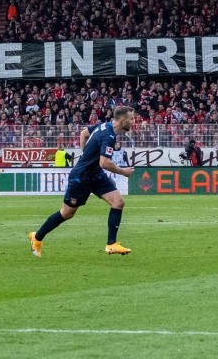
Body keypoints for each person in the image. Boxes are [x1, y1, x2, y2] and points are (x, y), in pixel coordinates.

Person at [29, 105, 137, 257]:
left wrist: (85, 154)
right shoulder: (109, 136)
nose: (133, 122)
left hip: (95, 175)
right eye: (131, 119)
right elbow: (104, 163)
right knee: (67, 213)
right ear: (123, 119)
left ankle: (111, 244)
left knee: (118, 202)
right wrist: (123, 171)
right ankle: (37, 237)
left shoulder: (104, 126)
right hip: (82, 177)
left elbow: (84, 133)